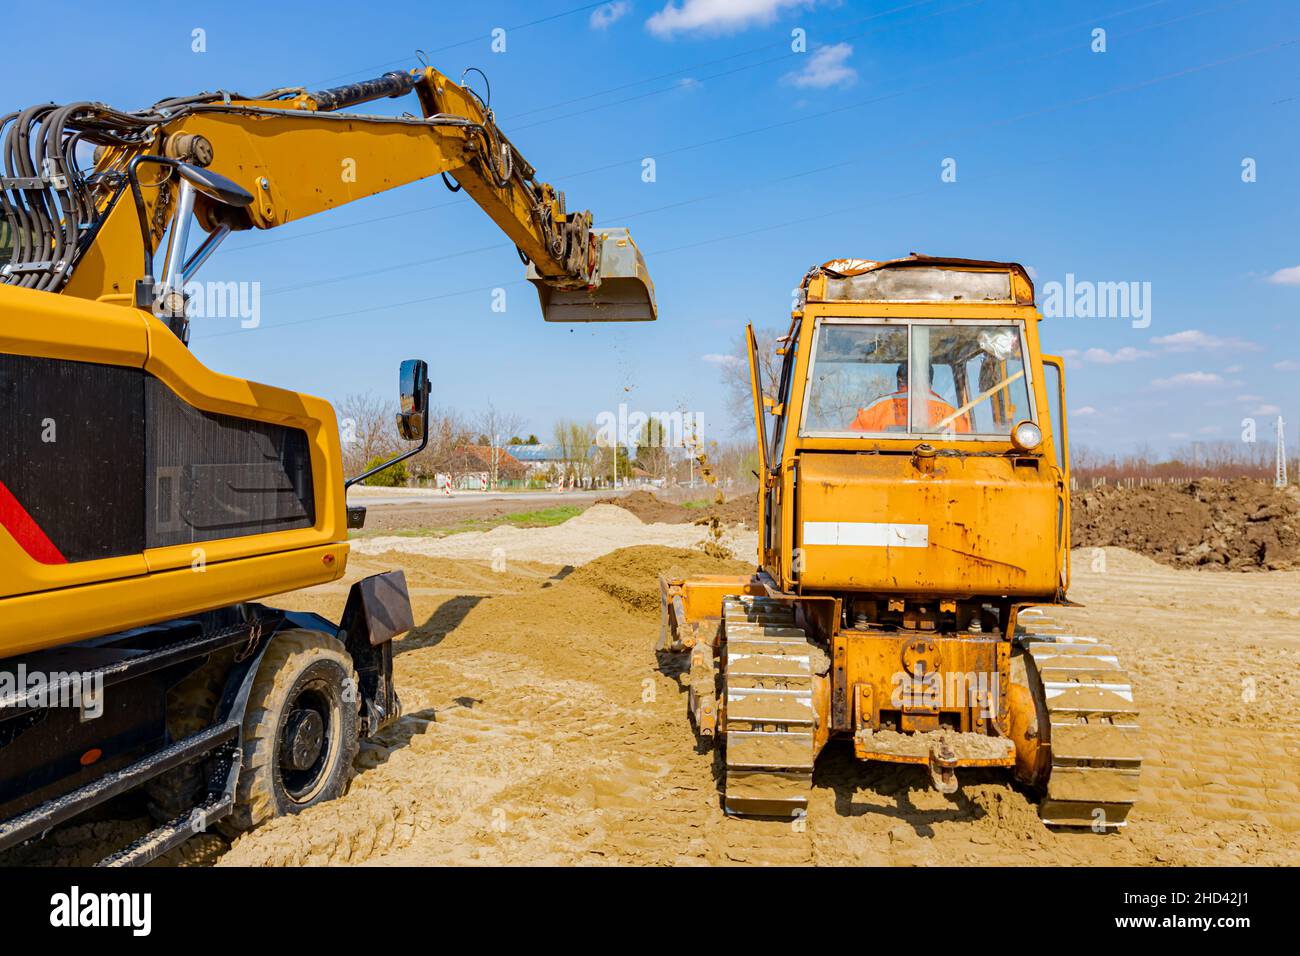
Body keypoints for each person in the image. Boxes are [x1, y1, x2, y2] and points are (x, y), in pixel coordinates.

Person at [849, 363, 971, 433]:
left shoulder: (876, 409)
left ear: (900, 381)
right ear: (930, 382)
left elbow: (849, 442)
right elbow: (968, 446)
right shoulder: (953, 414)